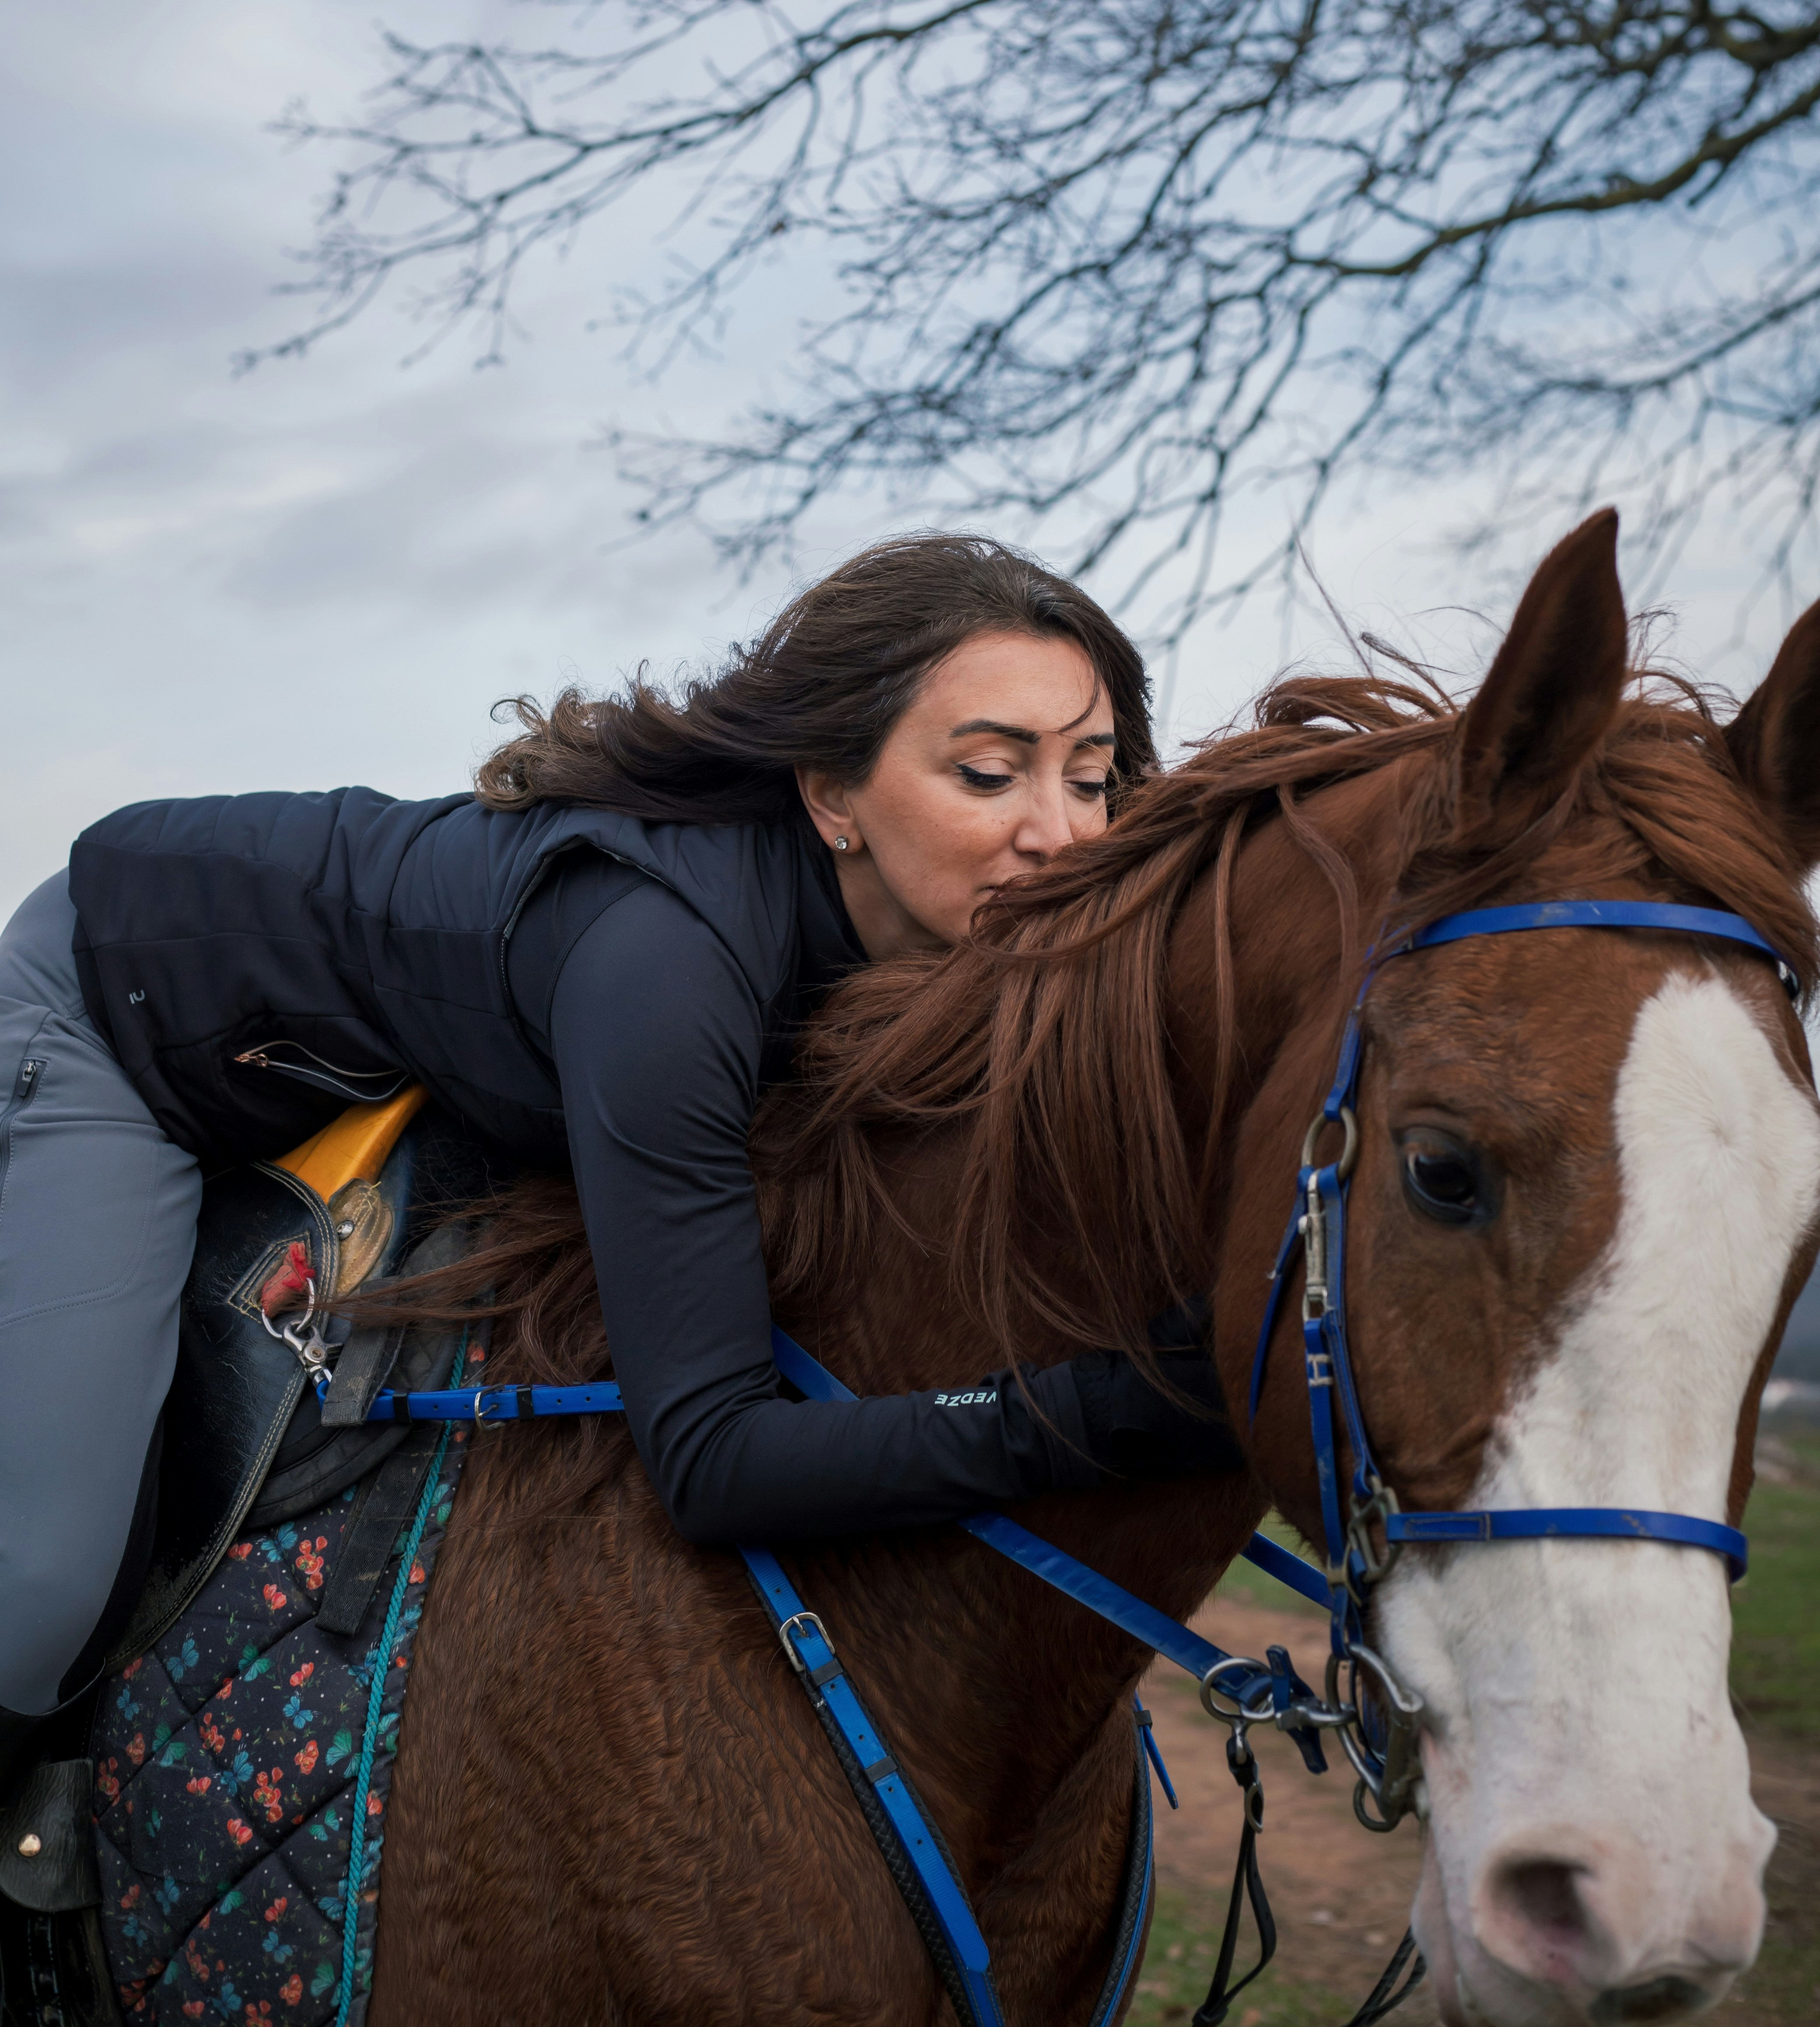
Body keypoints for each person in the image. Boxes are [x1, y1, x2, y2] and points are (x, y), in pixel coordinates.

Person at [0, 533, 1239, 1770]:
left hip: (367, 1037)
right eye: (987, 773)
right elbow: (713, 1461)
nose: (1063, 836)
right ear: (831, 794)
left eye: (1093, 777)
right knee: (44, 1599)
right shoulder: (667, 967)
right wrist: (1101, 1411)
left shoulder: (930, 927)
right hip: (109, 1000)